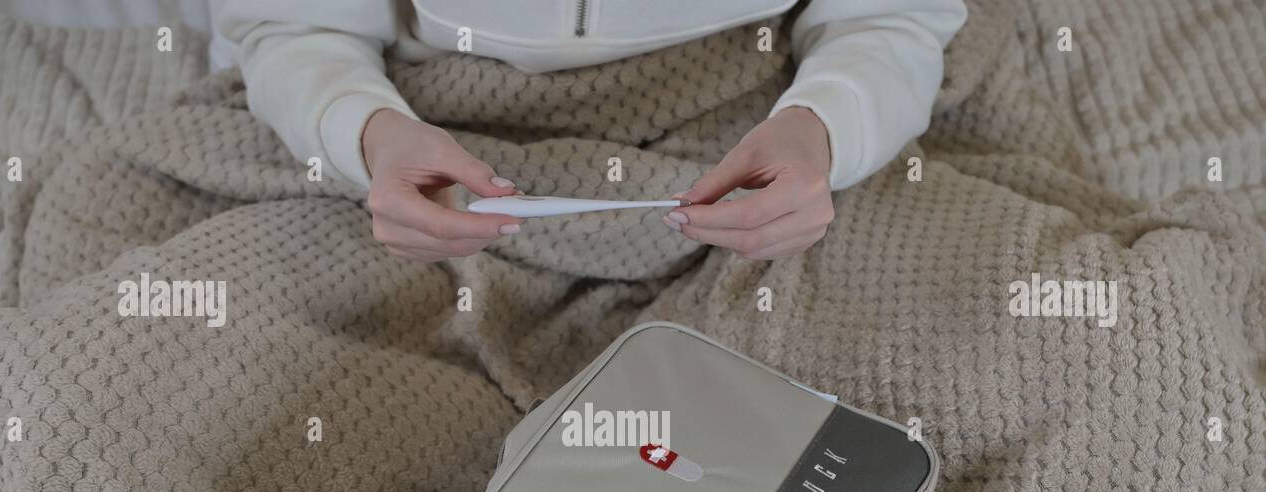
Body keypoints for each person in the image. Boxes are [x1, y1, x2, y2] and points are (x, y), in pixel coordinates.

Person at [220, 1, 966, 262]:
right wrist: (368, 137)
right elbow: (295, 28)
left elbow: (887, 19)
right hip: (428, 135)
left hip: (763, 130)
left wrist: (826, 132)